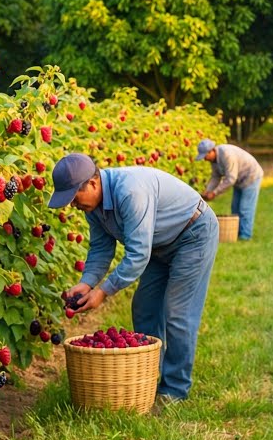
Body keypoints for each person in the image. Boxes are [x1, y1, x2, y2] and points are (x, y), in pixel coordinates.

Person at [50, 153, 219, 405]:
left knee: (177, 311)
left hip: (193, 235)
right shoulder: (93, 207)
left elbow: (138, 254)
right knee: (144, 306)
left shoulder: (130, 191)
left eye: (74, 197)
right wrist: (86, 284)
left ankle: (174, 389)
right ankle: (147, 378)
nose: (72, 204)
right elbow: (100, 249)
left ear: (93, 184)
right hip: (160, 246)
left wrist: (103, 291)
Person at [196, 139, 263, 241]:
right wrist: (207, 190)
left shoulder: (227, 155)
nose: (205, 159)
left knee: (245, 208)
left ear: (212, 150)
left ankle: (245, 235)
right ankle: (236, 234)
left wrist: (214, 193)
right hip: (239, 179)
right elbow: (216, 177)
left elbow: (231, 179)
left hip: (251, 176)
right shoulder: (214, 161)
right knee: (235, 208)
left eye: (205, 155)